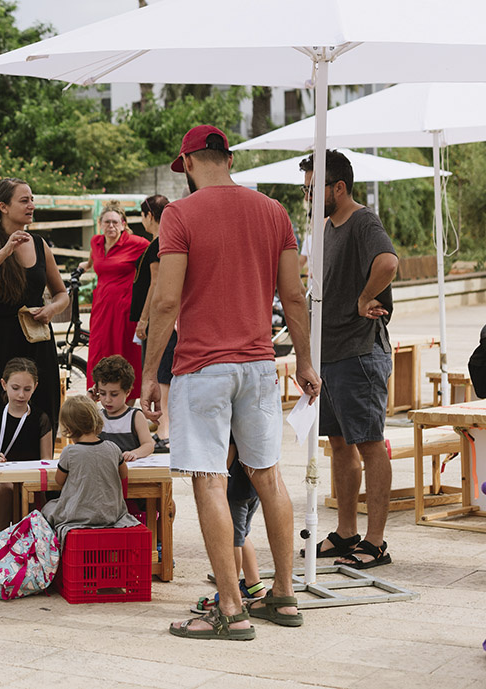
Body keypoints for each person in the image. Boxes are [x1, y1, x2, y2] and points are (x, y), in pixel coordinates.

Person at [142, 124, 320, 640]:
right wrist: (305, 361)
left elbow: (167, 300)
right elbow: (293, 295)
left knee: (209, 481)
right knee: (269, 477)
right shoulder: (273, 212)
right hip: (262, 365)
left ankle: (230, 607)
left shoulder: (180, 213)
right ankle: (283, 597)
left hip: (202, 367)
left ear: (190, 163)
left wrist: (152, 373)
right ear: (230, 158)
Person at [301, 149, 399, 570]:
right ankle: (346, 532)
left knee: (370, 445)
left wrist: (363, 298)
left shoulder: (363, 221)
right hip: (329, 353)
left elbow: (389, 262)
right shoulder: (325, 226)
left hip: (359, 352)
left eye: (313, 189)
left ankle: (375, 542)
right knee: (339, 445)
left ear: (338, 187)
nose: (307, 197)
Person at [0, 178, 68, 546]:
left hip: (35, 340)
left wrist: (51, 309)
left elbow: (62, 293)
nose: (31, 204)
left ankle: (42, 508)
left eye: (33, 199)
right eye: (24, 200)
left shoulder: (40, 244)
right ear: (3, 207)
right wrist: (5, 250)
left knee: (43, 416)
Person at [39, 395, 141, 541]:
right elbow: (123, 474)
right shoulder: (113, 448)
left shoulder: (70, 452)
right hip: (111, 514)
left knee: (48, 508)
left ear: (68, 427)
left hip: (78, 515)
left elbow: (59, 481)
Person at [192, 441, 270, 614]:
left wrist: (210, 480)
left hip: (234, 490)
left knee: (232, 541)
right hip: (251, 486)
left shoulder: (229, 422)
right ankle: (254, 585)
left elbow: (226, 455)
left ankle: (229, 594)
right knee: (241, 536)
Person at [0, 357, 53, 533]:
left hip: (31, 477)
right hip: (2, 479)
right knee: (7, 488)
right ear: (4, 384)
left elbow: (47, 459)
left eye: (27, 389)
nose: (21, 395)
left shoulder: (41, 419)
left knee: (34, 489)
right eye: (15, 388)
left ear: (35, 387)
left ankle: (36, 539)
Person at [87, 201, 149, 402]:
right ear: (100, 223)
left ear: (123, 224)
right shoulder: (96, 242)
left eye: (115, 222)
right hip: (101, 309)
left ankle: (128, 405)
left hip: (125, 310)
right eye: (107, 222)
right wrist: (86, 265)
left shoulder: (136, 243)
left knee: (125, 355)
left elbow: (158, 254)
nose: (111, 226)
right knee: (100, 352)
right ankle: (101, 400)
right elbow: (93, 261)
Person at [131, 195, 174, 452]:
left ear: (149, 214)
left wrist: (145, 318)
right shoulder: (160, 242)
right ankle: (162, 427)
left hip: (158, 320)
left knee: (160, 375)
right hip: (158, 318)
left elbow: (155, 283)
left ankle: (164, 430)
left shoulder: (160, 243)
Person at [92, 355, 154, 461]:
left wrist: (135, 453)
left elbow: (148, 445)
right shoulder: (97, 416)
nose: (107, 399)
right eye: (102, 393)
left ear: (127, 392)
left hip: (130, 470)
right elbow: (81, 439)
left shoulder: (135, 416)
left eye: (114, 394)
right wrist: (90, 401)